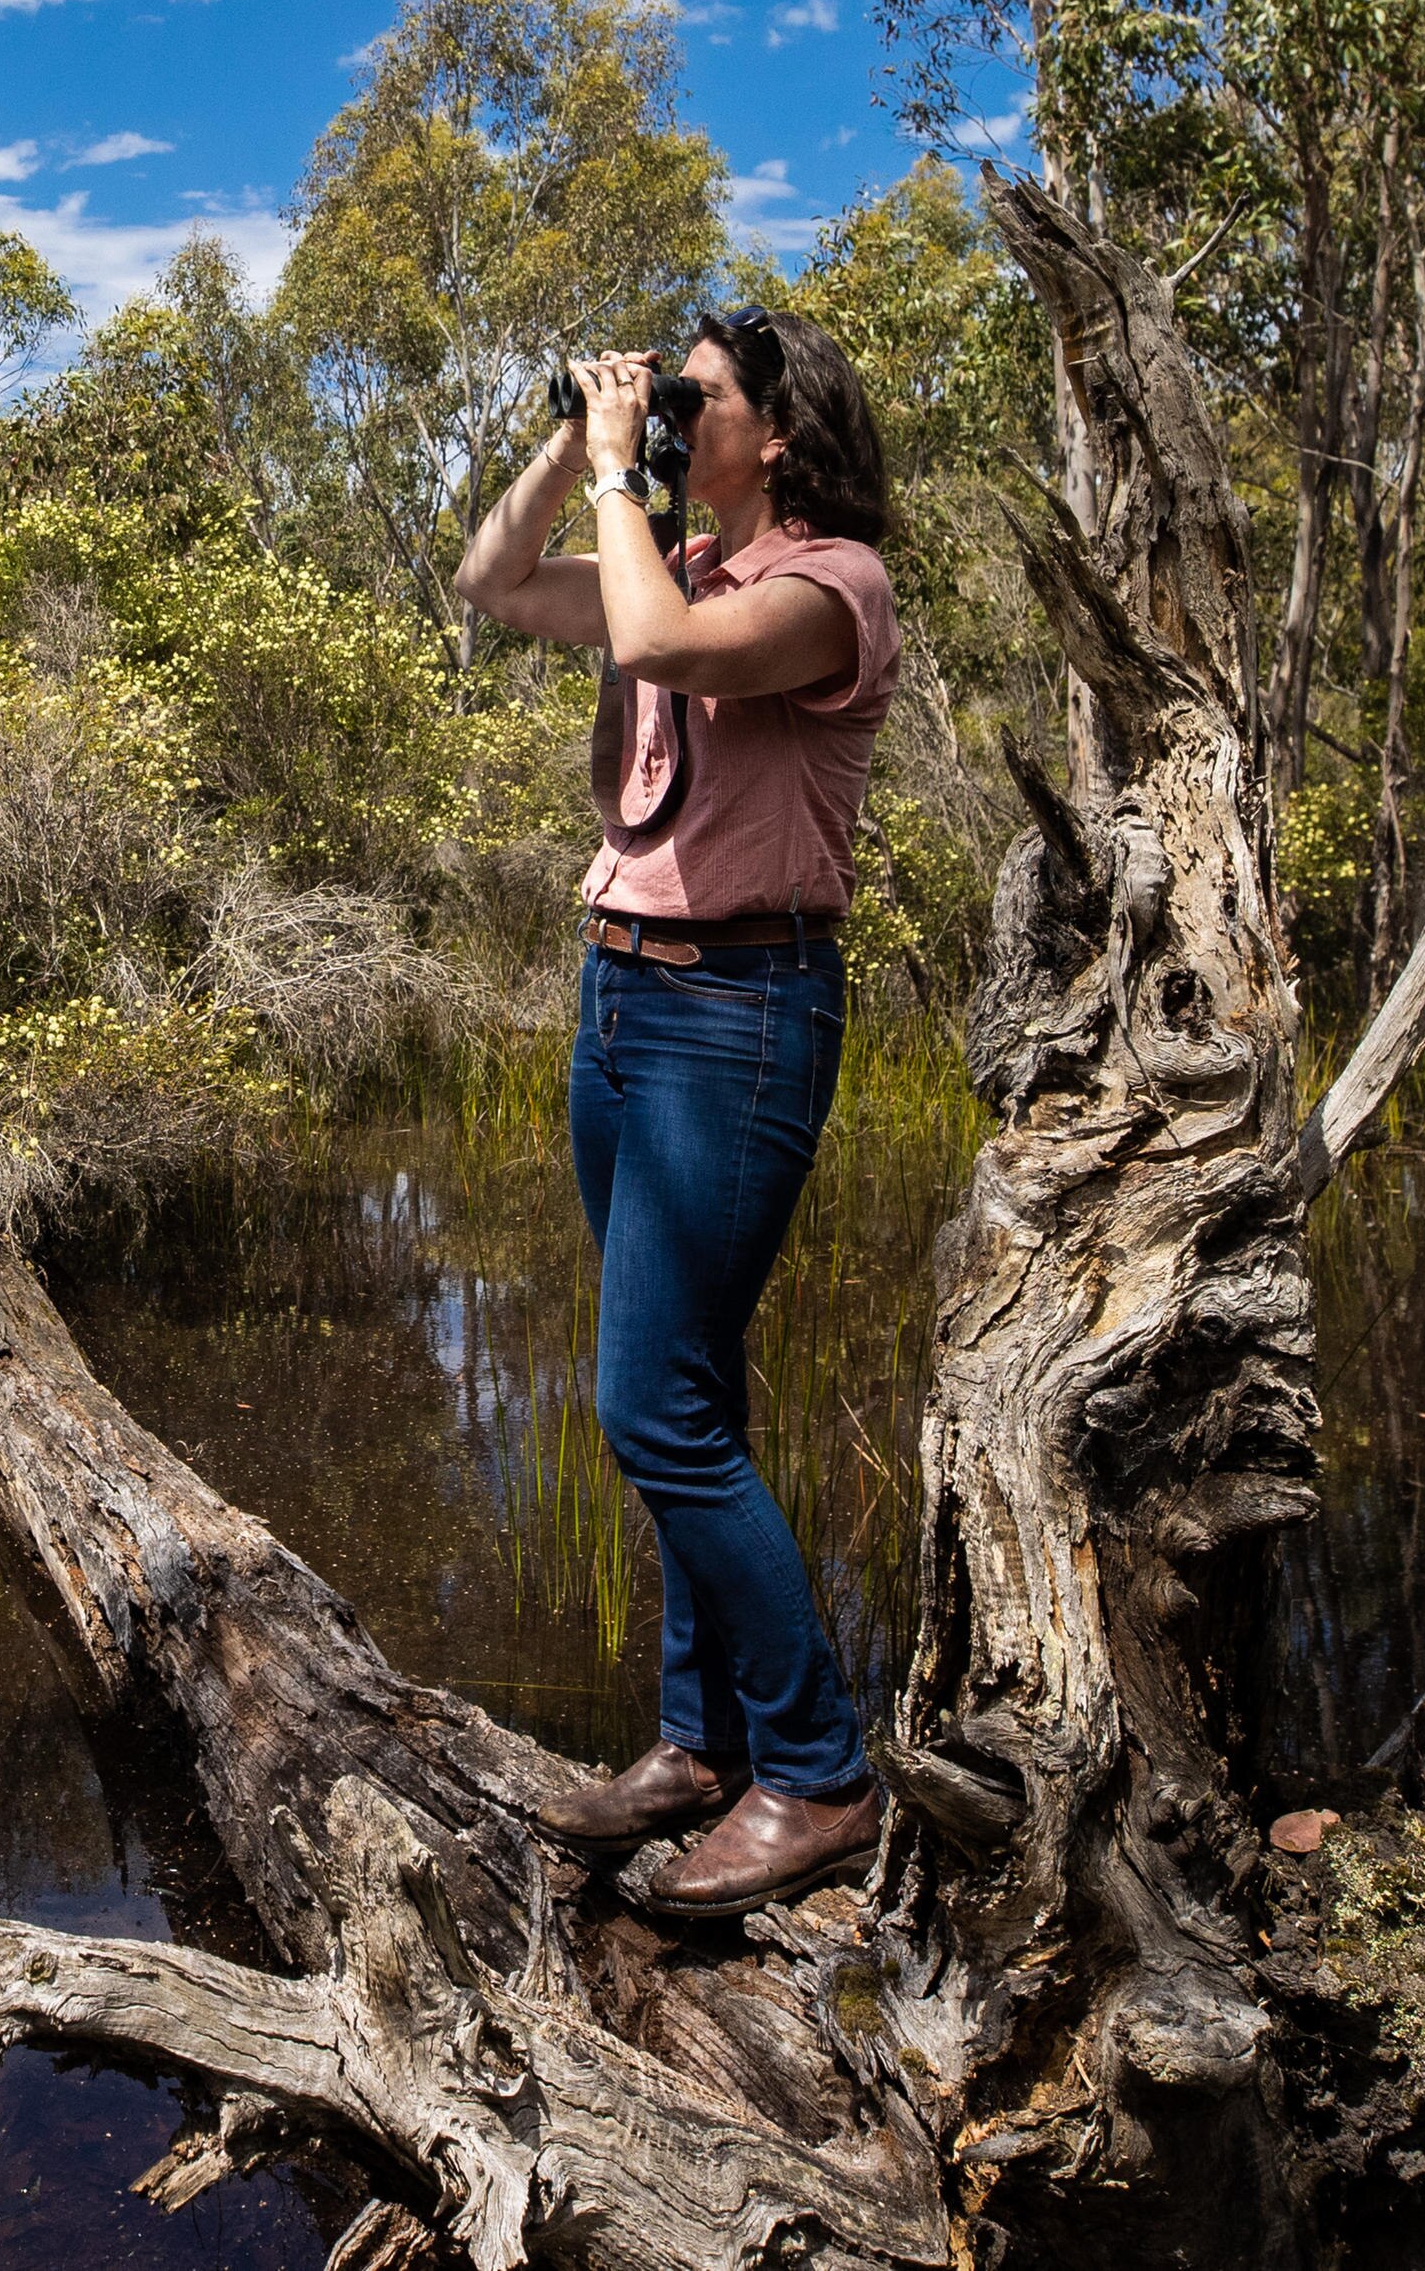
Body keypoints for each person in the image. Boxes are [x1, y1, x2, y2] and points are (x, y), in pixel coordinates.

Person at [447, 303, 900, 1913]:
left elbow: (648, 647)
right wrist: (580, 445)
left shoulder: (827, 588)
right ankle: (701, 1741)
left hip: (740, 1013)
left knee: (652, 1409)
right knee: (691, 1391)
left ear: (774, 431)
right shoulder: (682, 558)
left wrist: (626, 475)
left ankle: (819, 1771)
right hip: (623, 993)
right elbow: (494, 582)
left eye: (691, 393)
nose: (665, 407)